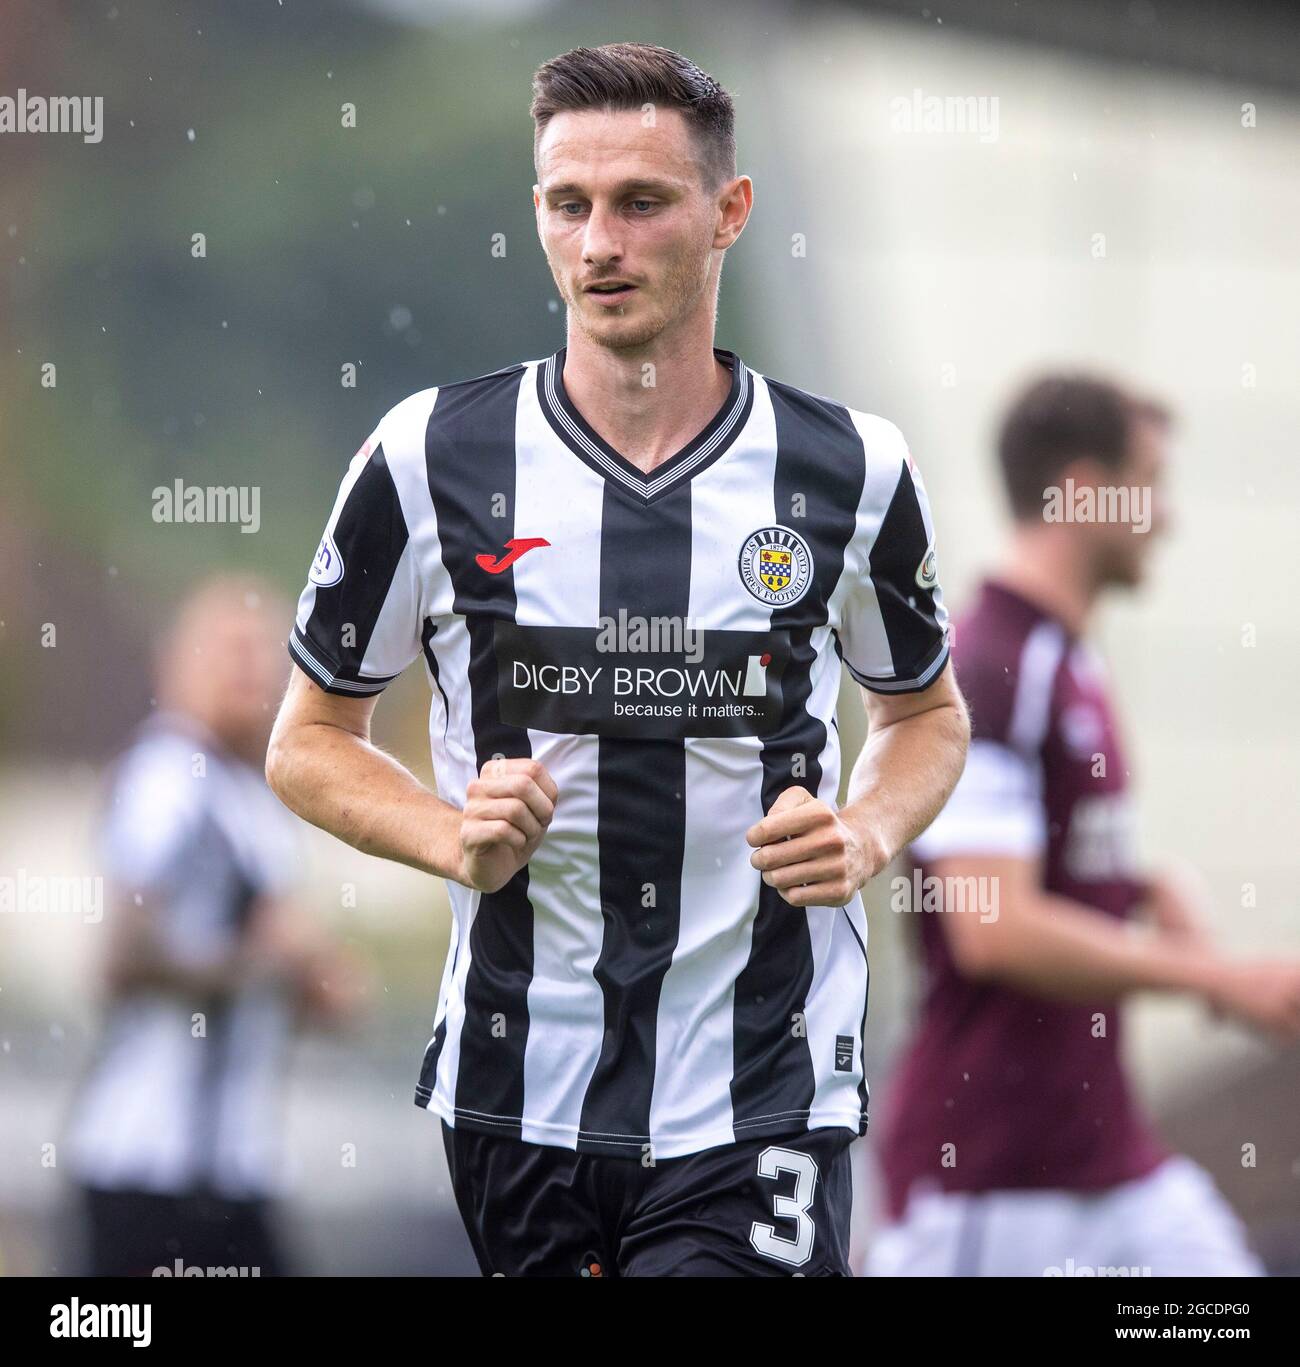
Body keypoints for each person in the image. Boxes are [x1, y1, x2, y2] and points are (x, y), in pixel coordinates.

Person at [266, 42, 969, 1277]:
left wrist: (863, 832)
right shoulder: (426, 456)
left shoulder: (852, 468)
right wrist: (449, 835)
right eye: (567, 204)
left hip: (766, 1083)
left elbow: (925, 715)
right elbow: (309, 740)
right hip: (515, 1089)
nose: (600, 242)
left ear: (727, 212)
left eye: (641, 203)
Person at [868, 375, 1300, 1277]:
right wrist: (1221, 977)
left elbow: (1027, 859)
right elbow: (994, 928)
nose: (1165, 519)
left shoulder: (1064, 660)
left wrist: (1135, 884)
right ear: (1079, 489)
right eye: (1146, 483)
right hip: (994, 1186)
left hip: (1106, 1169)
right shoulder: (989, 667)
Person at [66, 575, 365, 1276]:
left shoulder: (251, 795)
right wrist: (262, 960)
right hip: (153, 1173)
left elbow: (305, 980)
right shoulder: (169, 775)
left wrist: (313, 978)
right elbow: (121, 957)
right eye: (226, 648)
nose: (248, 668)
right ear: (174, 664)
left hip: (234, 1174)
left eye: (260, 650)